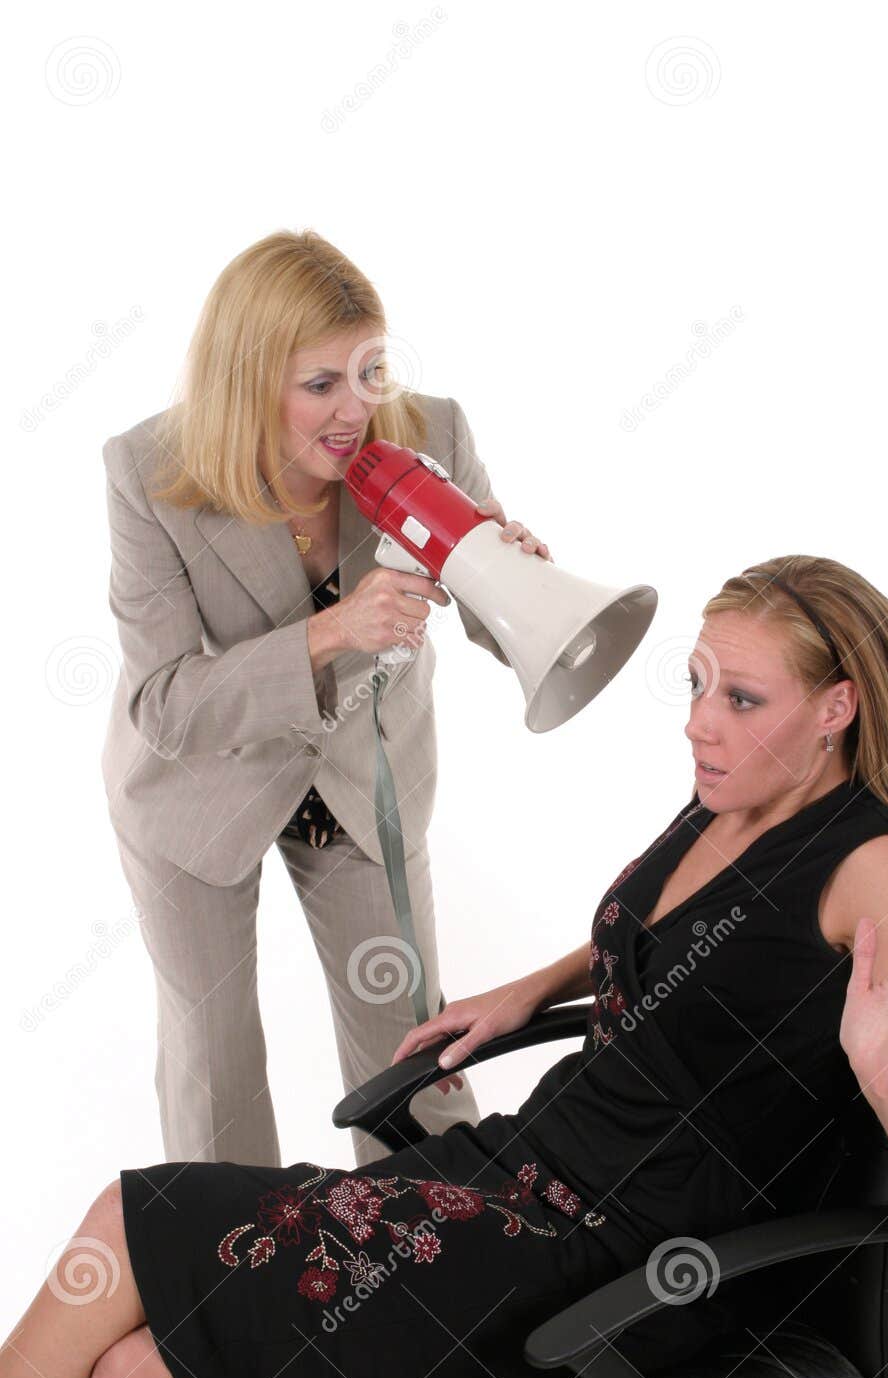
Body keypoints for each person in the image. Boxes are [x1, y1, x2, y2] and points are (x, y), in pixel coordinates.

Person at [3, 555, 888, 1378]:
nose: (699, 722)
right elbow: (680, 937)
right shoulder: (733, 793)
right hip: (522, 1171)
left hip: (617, 1258)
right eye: (696, 684)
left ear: (835, 708)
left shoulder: (873, 870)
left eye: (740, 697)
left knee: (130, 1219)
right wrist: (532, 988)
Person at [100, 228, 551, 1168]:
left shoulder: (432, 433)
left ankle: (432, 1261)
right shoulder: (149, 475)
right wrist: (331, 631)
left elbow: (486, 621)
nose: (359, 410)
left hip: (359, 775)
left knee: (414, 1055)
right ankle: (232, 1283)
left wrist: (514, 583)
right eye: (321, 386)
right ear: (246, 383)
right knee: (213, 1062)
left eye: (372, 369)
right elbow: (164, 705)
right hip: (198, 789)